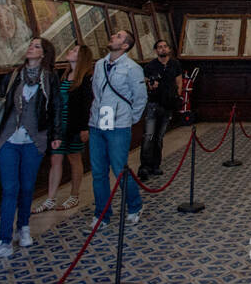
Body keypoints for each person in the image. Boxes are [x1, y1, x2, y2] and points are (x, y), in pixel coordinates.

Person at [0, 37, 64, 263]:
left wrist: (56, 135)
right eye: (30, 45)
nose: (30, 49)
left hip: (34, 140)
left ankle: (23, 226)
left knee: (26, 187)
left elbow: (55, 107)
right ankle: (3, 241)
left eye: (36, 46)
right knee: (9, 189)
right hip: (8, 139)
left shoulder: (49, 78)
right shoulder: (13, 76)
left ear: (44, 54)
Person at [88, 30, 147, 229]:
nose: (113, 36)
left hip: (119, 124)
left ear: (125, 46)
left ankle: (134, 206)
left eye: (119, 37)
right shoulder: (99, 65)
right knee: (98, 172)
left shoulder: (132, 68)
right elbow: (96, 92)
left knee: (119, 168)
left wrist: (129, 118)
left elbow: (140, 97)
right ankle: (102, 213)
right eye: (114, 34)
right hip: (97, 123)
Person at [33, 43, 93, 213]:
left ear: (82, 57)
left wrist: (84, 127)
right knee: (55, 160)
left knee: (74, 159)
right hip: (59, 126)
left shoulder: (85, 78)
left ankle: (74, 195)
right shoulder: (63, 76)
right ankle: (50, 198)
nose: (70, 51)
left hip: (75, 126)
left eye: (75, 51)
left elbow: (86, 104)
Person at [139, 40, 182, 180]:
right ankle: (144, 166)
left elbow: (179, 81)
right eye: (159, 47)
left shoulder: (174, 64)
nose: (162, 49)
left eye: (165, 46)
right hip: (154, 103)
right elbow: (145, 82)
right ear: (156, 50)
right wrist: (150, 86)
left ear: (169, 49)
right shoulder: (150, 66)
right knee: (149, 136)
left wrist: (178, 95)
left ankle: (155, 165)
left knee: (159, 137)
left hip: (168, 104)